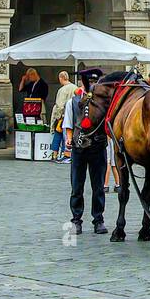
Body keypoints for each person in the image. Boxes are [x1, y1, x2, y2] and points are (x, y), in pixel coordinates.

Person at [63, 72, 107, 234]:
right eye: (90, 82)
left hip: (98, 147)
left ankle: (98, 219)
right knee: (76, 186)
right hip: (79, 147)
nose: (92, 85)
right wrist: (69, 138)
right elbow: (68, 123)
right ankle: (76, 220)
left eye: (95, 82)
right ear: (83, 84)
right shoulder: (73, 102)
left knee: (99, 187)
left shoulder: (104, 103)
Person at [50, 70, 77, 164]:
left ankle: (61, 155)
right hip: (75, 116)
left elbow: (60, 105)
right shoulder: (75, 87)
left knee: (62, 135)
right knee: (72, 135)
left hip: (64, 116)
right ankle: (69, 154)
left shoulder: (62, 90)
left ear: (61, 78)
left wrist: (57, 117)